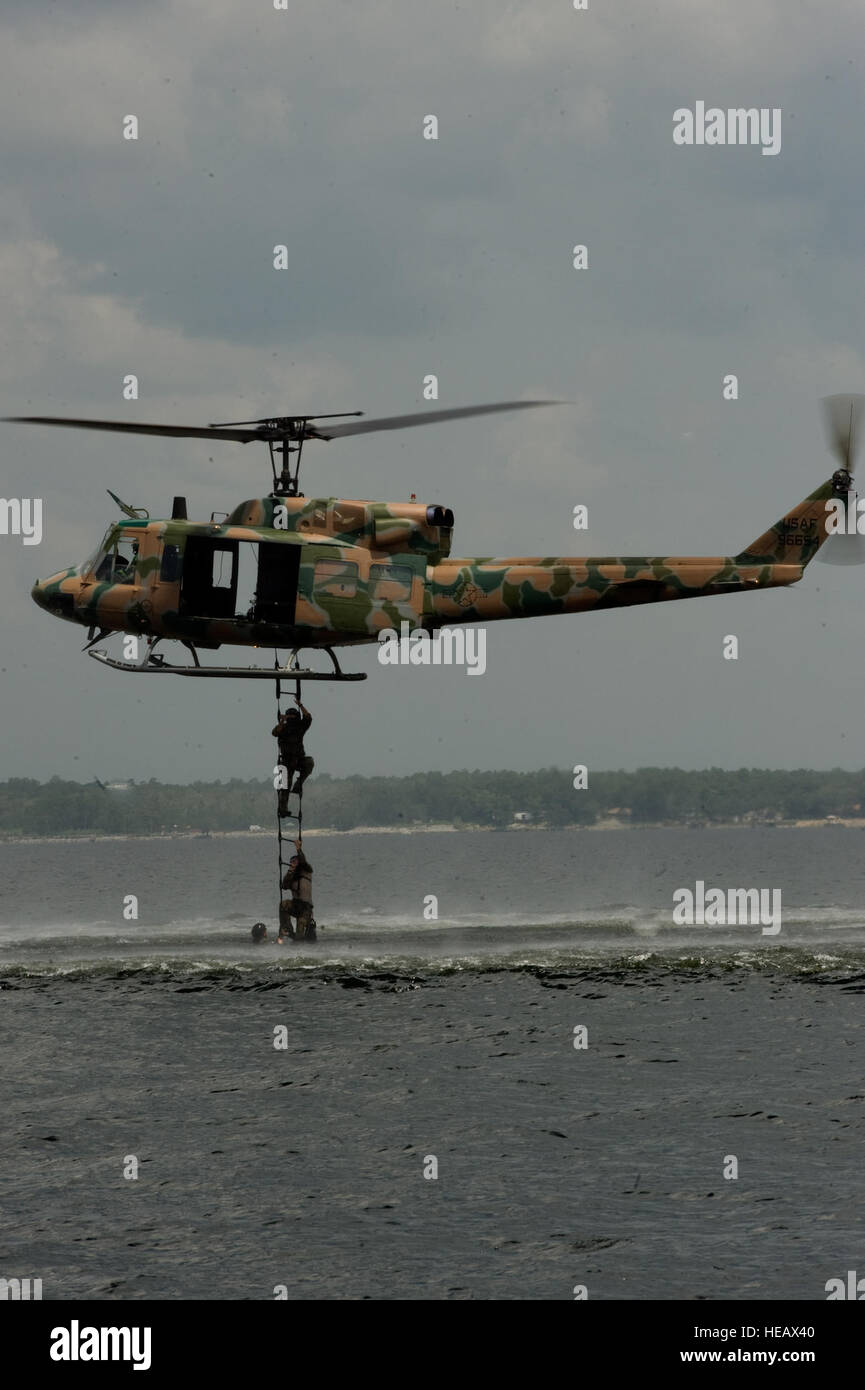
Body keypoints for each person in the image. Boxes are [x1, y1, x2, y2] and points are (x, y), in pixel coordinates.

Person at [272, 698, 314, 816]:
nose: (291, 719)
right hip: (286, 761)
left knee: (310, 762)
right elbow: (275, 733)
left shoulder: (300, 727)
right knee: (284, 787)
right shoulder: (283, 728)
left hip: (299, 759)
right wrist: (282, 721)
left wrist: (300, 704)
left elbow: (308, 717)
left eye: (292, 717)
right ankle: (283, 809)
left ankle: (298, 784)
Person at [282, 840, 316, 942]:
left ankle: (298, 941)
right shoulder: (291, 876)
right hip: (296, 906)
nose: (293, 864)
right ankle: (288, 930)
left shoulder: (306, 870)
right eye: (291, 862)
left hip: (306, 908)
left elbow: (303, 861)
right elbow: (284, 885)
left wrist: (298, 849)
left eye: (295, 862)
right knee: (283, 904)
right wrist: (290, 871)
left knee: (300, 925)